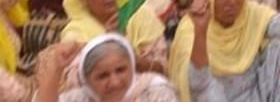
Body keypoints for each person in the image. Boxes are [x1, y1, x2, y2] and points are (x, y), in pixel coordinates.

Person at [60, 0, 168, 74]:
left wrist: (129, 55)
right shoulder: (76, 32)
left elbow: (162, 68)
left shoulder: (140, 15)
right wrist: (109, 46)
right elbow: (75, 79)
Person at [36, 35, 178, 102]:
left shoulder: (156, 94)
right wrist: (56, 67)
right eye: (103, 76)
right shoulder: (82, 98)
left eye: (121, 70)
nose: (115, 82)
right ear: (87, 80)